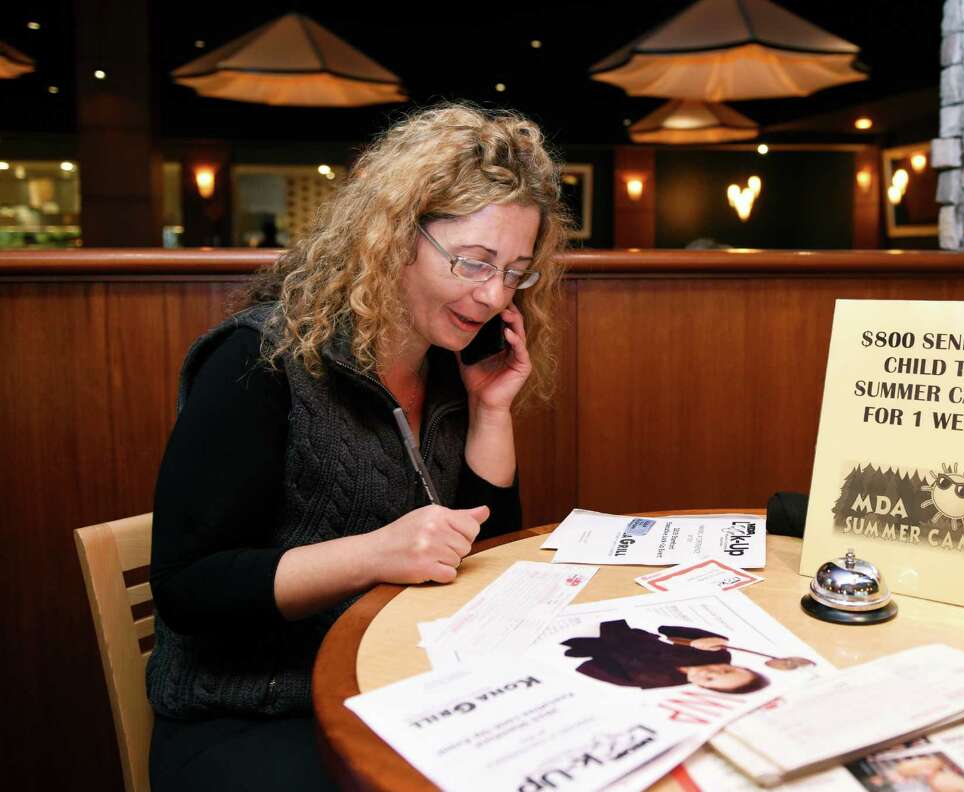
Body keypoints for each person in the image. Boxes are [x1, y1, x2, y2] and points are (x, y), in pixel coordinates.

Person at [146, 103, 570, 792]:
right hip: (254, 715)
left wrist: (493, 411)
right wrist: (375, 553)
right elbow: (188, 587)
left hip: (395, 693)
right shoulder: (260, 358)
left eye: (515, 271)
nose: (493, 296)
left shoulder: (447, 363)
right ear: (394, 235)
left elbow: (483, 547)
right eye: (472, 261)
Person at [561, 620, 770, 694]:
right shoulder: (719, 651)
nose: (712, 671)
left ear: (704, 687)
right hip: (625, 618)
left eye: (710, 679)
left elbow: (585, 664)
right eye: (727, 671)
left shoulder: (651, 681)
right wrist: (696, 639)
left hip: (581, 638)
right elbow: (665, 625)